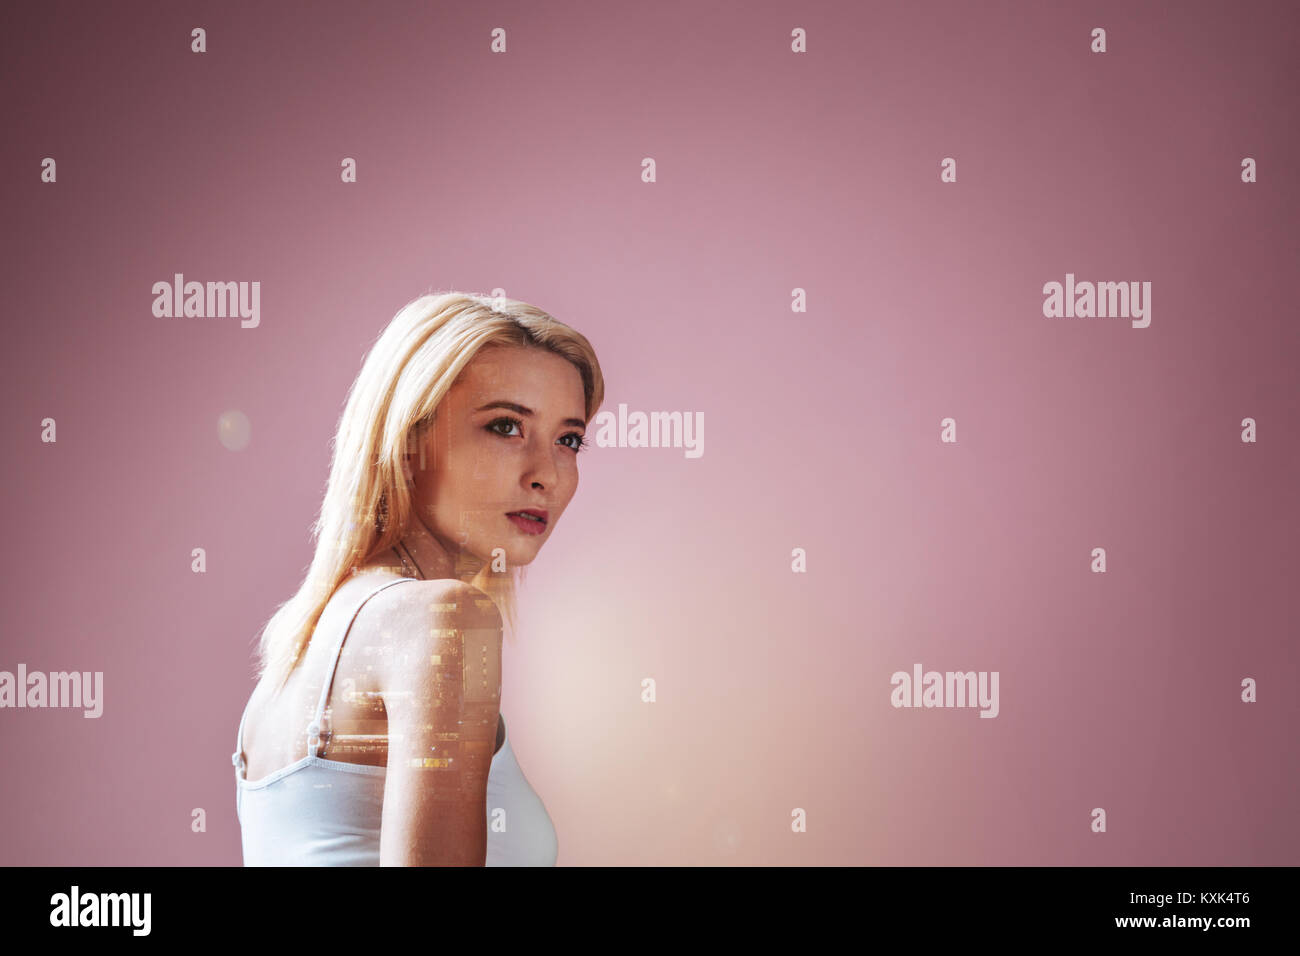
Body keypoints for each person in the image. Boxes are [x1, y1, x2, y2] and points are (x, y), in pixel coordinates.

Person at [232, 291, 604, 865]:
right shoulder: (444, 620)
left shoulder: (297, 648)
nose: (546, 475)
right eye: (506, 427)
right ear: (408, 444)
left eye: (568, 439)